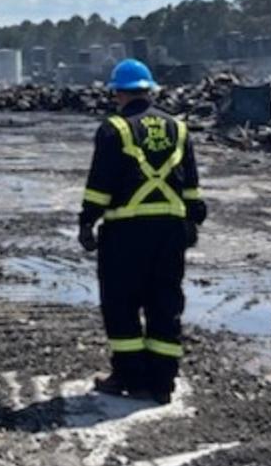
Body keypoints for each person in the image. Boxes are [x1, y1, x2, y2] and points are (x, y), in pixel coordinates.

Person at [78, 59, 207, 405]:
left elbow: (99, 185)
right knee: (165, 303)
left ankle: (130, 378)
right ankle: (162, 383)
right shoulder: (178, 128)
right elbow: (191, 183)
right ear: (148, 89)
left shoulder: (115, 128)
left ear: (118, 91)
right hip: (170, 232)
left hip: (126, 232)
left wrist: (87, 221)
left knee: (121, 303)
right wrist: (193, 218)